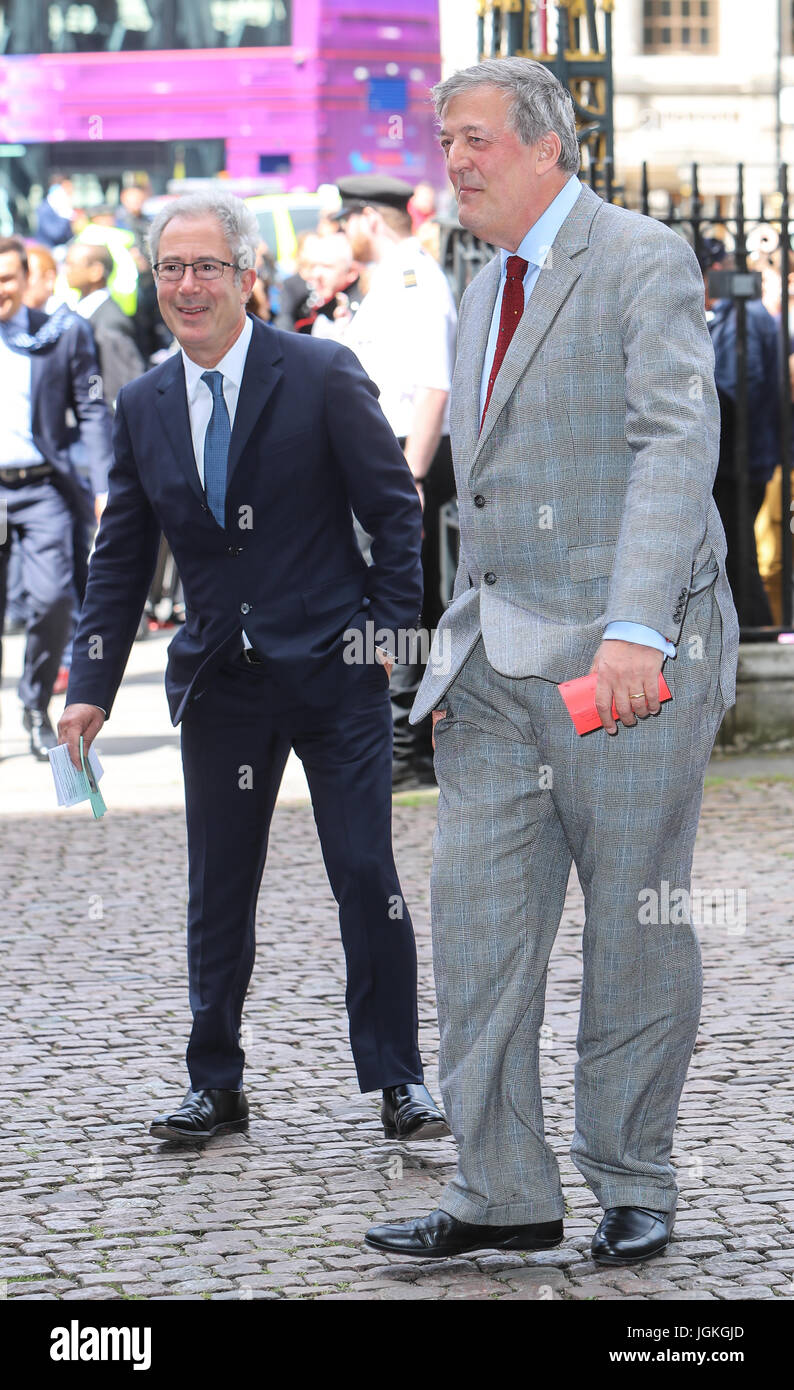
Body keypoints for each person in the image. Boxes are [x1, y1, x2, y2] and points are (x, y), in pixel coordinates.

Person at [365, 59, 739, 1265]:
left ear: (544, 148)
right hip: (490, 670)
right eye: (444, 140)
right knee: (475, 927)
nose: (453, 163)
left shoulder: (639, 258)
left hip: (621, 663)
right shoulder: (479, 291)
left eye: (472, 140)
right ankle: (502, 1192)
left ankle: (634, 1177)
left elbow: (673, 446)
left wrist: (636, 626)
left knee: (634, 923)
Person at [58, 190, 448, 1146]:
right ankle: (215, 1082)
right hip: (221, 685)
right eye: (172, 270)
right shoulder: (144, 401)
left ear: (247, 277)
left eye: (207, 268)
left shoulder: (318, 372)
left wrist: (389, 646)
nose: (189, 287)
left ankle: (399, 1078)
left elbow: (396, 511)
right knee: (218, 886)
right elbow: (120, 560)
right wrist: (87, 686)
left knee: (365, 871)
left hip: (333, 676)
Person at [334, 175, 458, 788]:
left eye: (344, 221)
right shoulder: (390, 281)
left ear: (369, 219)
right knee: (397, 603)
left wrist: (410, 474)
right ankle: (407, 747)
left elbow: (436, 384)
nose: (340, 233)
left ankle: (406, 754)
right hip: (389, 459)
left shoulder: (414, 280)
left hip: (408, 458)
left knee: (402, 605)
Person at [0, 236, 112, 759]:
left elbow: (91, 409)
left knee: (53, 600)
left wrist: (104, 482)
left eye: (6, 278)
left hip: (41, 486)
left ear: (25, 281)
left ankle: (34, 701)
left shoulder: (56, 335)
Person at [701, 239, 777, 628]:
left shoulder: (739, 317)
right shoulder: (745, 313)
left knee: (736, 558)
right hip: (746, 459)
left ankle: (758, 636)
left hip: (736, 463)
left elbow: (729, 392)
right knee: (737, 554)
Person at [64, 242, 146, 409]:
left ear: (96, 271)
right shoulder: (81, 313)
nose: (66, 270)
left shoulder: (109, 322)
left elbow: (119, 387)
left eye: (72, 264)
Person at [35, 172, 75, 248]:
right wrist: (65, 214)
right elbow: (55, 234)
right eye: (67, 190)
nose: (69, 194)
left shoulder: (62, 208)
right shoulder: (44, 209)